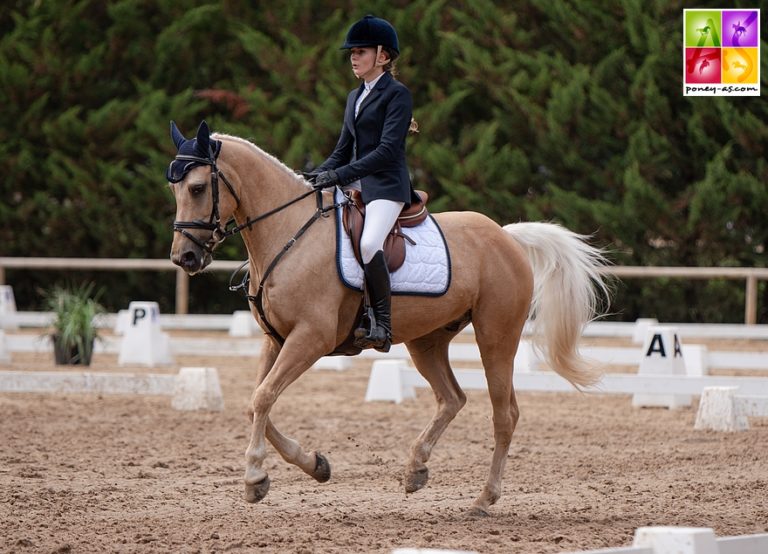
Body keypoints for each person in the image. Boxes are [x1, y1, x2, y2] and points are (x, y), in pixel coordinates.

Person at [309, 14, 419, 353]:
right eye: (352, 52)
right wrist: (312, 177)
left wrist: (339, 176)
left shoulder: (397, 95)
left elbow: (387, 152)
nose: (353, 57)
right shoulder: (354, 97)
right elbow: (343, 150)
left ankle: (382, 324)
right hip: (357, 187)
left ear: (383, 56)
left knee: (370, 244)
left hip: (386, 187)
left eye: (361, 51)